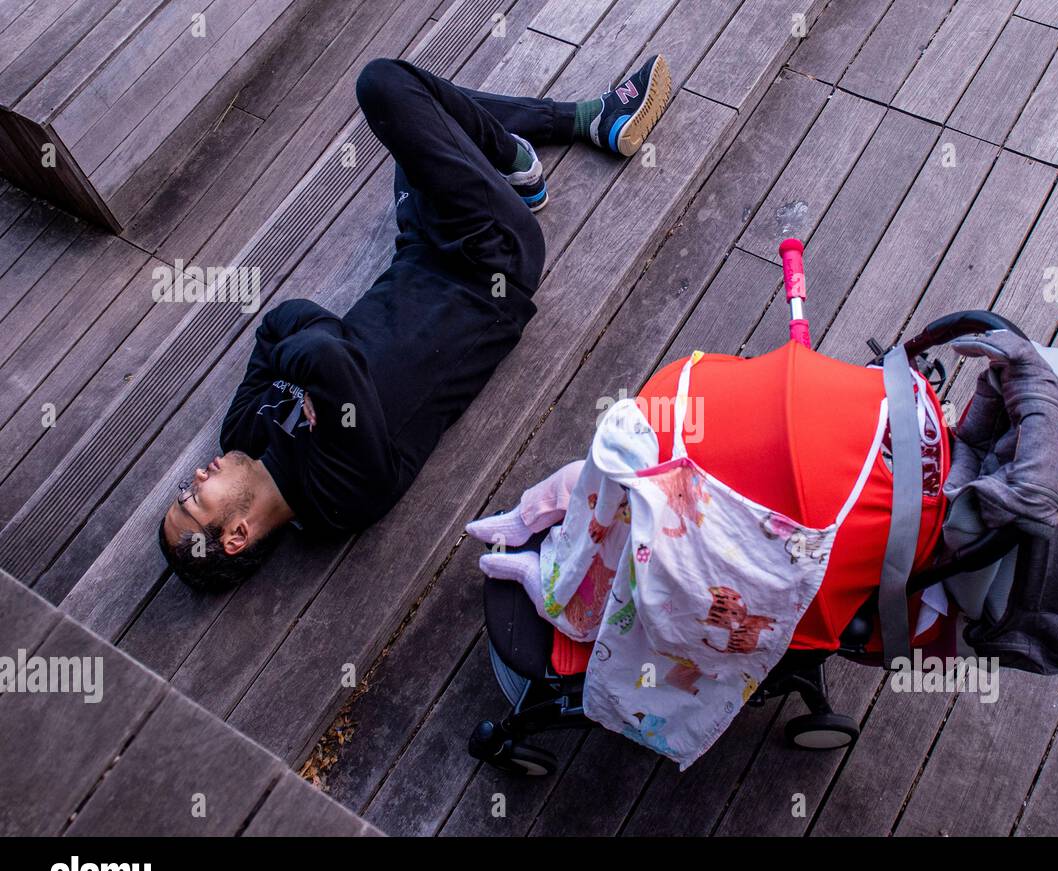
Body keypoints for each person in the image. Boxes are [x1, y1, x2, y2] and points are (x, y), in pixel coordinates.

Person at [157, 54, 672, 591]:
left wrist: (318, 366)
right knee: (385, 85)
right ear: (236, 535)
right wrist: (315, 359)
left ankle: (543, 147)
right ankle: (548, 142)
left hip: (418, 247)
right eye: (192, 500)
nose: (196, 477)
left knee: (414, 122)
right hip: (488, 266)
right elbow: (327, 355)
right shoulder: (338, 496)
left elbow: (279, 322)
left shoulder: (241, 432)